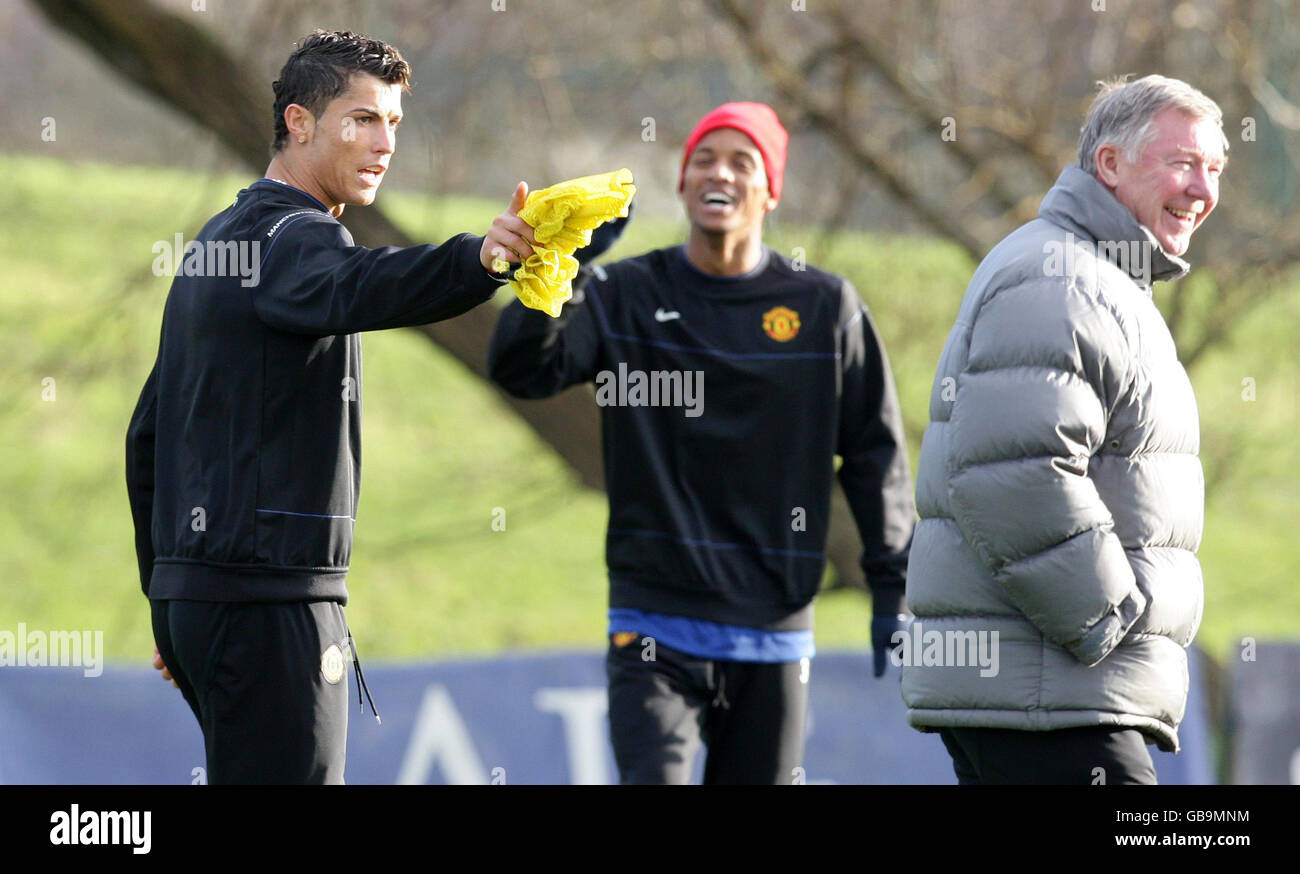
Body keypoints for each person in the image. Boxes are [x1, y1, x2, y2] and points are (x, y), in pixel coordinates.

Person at [125, 29, 537, 784]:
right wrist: (483, 258)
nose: (385, 143)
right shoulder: (297, 239)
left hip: (205, 601)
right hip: (269, 606)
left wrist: (173, 587)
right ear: (298, 122)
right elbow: (366, 286)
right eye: (363, 119)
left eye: (394, 124)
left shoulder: (218, 243)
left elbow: (148, 433)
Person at [488, 102, 915, 784]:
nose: (720, 172)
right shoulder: (622, 293)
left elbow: (874, 453)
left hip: (773, 630)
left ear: (769, 190)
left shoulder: (825, 307)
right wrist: (562, 273)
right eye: (703, 160)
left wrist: (892, 583)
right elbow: (519, 369)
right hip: (653, 619)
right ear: (684, 185)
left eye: (742, 161)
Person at [902, 75, 1227, 784]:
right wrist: (1108, 620)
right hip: (1054, 694)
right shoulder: (1061, 279)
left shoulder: (1103, 279)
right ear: (1109, 164)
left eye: (1215, 169)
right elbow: (1019, 475)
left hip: (1054, 691)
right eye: (1182, 163)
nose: (1201, 190)